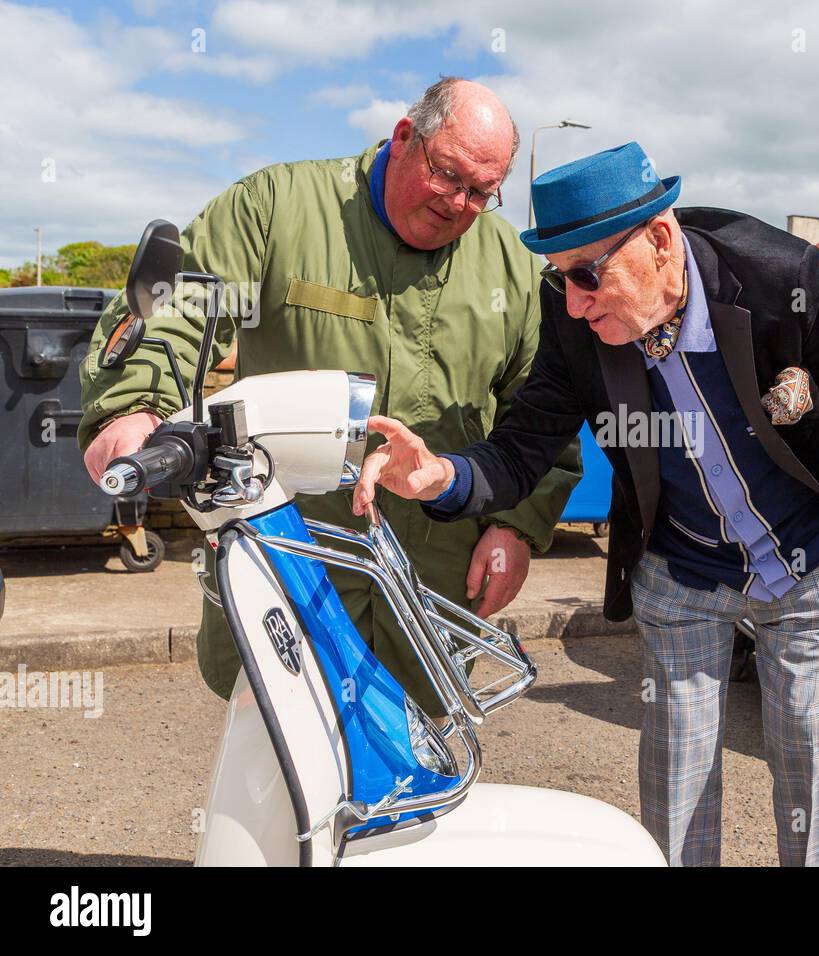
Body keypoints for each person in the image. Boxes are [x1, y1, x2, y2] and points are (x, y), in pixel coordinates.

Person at [350, 142, 819, 865]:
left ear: (661, 241)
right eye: (561, 278)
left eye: (588, 274)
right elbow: (523, 449)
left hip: (810, 553)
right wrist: (441, 477)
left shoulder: (781, 281)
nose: (575, 303)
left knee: (807, 740)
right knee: (677, 773)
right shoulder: (569, 314)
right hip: (682, 571)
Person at [78, 78, 581, 718]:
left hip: (432, 583)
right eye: (447, 175)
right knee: (278, 770)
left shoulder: (511, 262)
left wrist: (517, 526)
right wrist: (135, 407)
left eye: (482, 192)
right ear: (405, 138)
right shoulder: (276, 208)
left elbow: (544, 415)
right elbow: (179, 305)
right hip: (288, 565)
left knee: (419, 776)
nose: (459, 204)